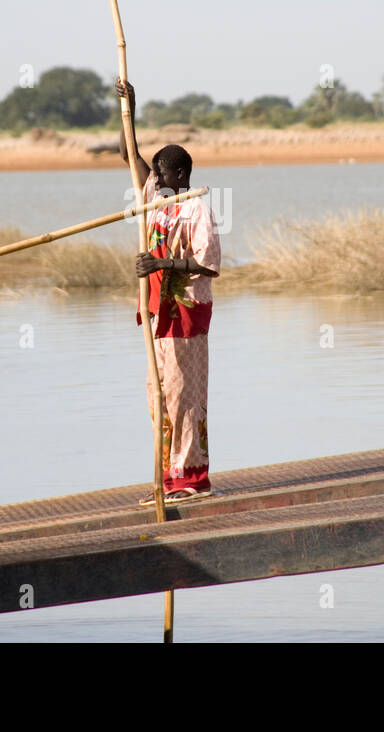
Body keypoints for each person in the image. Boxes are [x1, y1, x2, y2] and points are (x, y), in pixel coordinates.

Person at [116, 78, 221, 504]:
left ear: (180, 174)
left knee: (182, 395)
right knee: (157, 394)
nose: (155, 176)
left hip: (186, 311)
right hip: (158, 311)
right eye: (154, 171)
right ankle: (165, 478)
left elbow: (208, 263)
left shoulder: (196, 206)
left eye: (161, 171)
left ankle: (190, 479)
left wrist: (161, 263)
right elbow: (128, 155)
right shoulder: (157, 200)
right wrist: (129, 110)